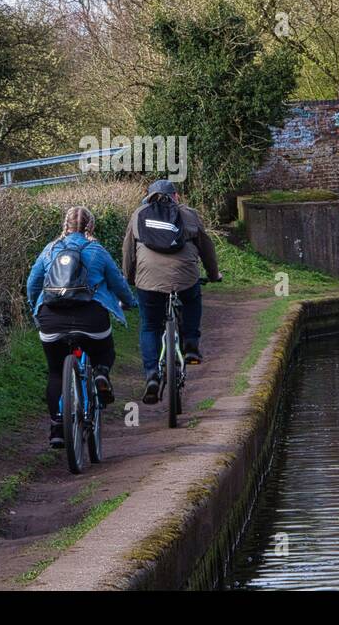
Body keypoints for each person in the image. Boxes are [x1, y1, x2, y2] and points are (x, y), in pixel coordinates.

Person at [26, 206, 138, 449]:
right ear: (92, 226)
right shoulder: (97, 250)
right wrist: (130, 303)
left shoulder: (50, 249)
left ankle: (57, 428)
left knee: (56, 371)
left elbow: (32, 284)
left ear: (64, 226)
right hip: (91, 319)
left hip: (52, 318)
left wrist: (35, 308)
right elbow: (118, 283)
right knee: (105, 351)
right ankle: (100, 373)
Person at [122, 179, 223, 405]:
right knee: (192, 298)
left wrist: (130, 279)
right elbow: (207, 248)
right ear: (176, 196)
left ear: (148, 197)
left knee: (150, 325)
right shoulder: (189, 214)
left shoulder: (138, 214)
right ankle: (191, 345)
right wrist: (214, 274)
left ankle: (151, 376)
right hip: (185, 276)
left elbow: (128, 251)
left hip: (148, 280)